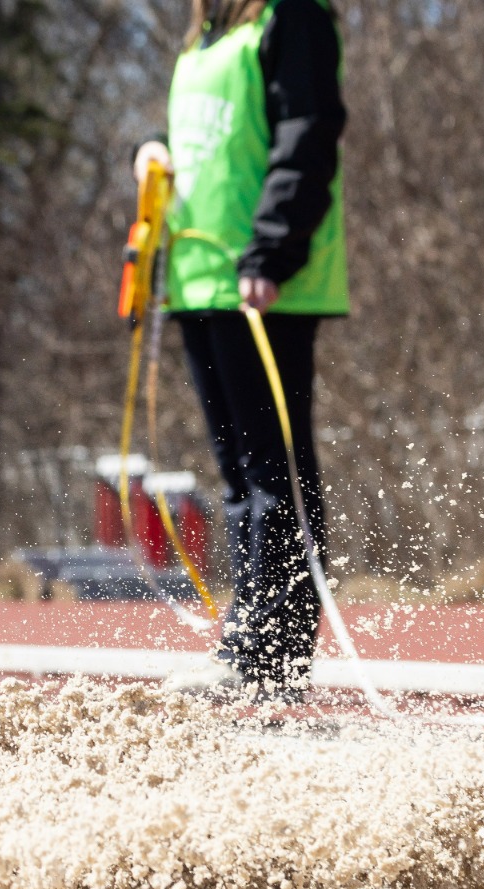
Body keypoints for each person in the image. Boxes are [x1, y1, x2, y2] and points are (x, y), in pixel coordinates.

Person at [134, 0, 349, 699]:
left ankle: (271, 645)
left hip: (262, 282)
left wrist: (273, 248)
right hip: (197, 283)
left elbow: (307, 132)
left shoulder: (293, 19)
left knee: (271, 469)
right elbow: (202, 142)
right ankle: (253, 638)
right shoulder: (205, 41)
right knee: (235, 473)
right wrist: (150, 148)